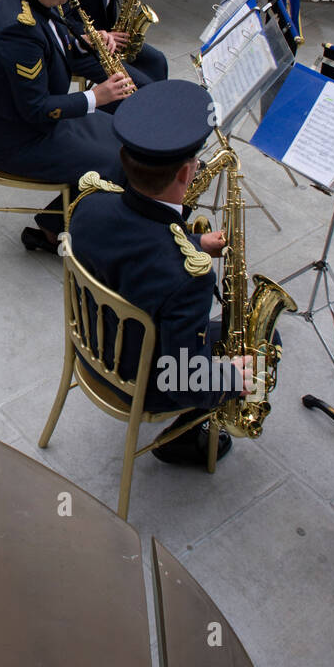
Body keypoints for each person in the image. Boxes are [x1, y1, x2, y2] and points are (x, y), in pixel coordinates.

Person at [69, 79, 256, 466]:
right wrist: (232, 379)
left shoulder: (90, 203)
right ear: (187, 175)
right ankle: (182, 442)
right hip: (142, 382)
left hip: (91, 351)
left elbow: (138, 236)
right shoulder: (189, 279)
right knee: (259, 340)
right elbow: (183, 381)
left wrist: (191, 241)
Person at [0, 0, 131, 257]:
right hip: (22, 139)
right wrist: (97, 97)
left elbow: (55, 47)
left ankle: (54, 222)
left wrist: (82, 41)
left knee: (125, 140)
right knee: (114, 161)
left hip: (42, 124)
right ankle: (71, 234)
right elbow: (36, 108)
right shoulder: (17, 30)